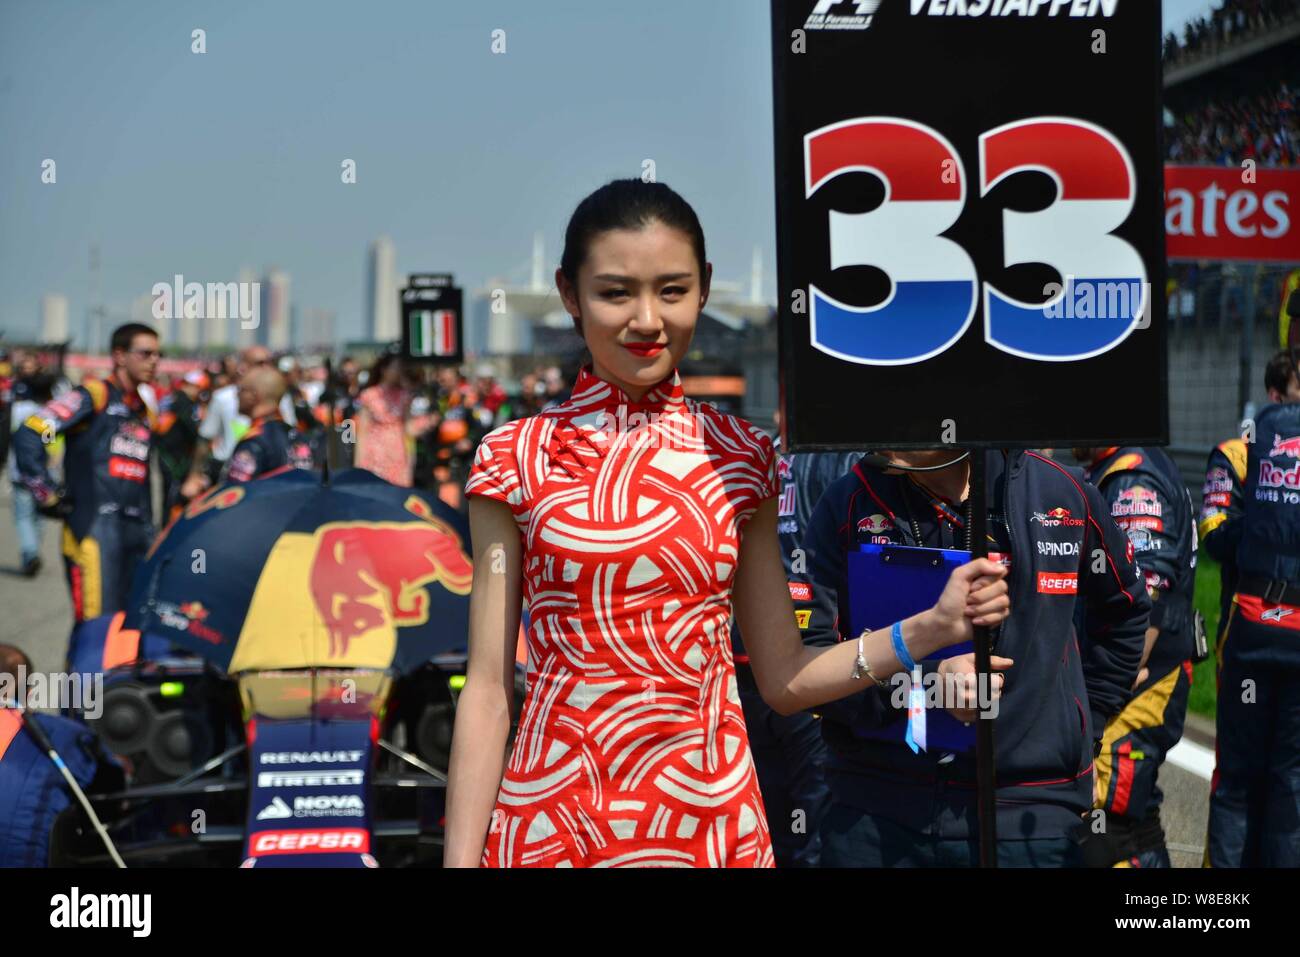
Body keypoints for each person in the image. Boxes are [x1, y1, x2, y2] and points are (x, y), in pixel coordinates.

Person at [442, 179, 1010, 868]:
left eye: (672, 290)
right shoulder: (513, 457)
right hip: (554, 826)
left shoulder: (744, 457)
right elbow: (490, 690)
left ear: (706, 288)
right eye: (616, 292)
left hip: (710, 829)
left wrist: (927, 629)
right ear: (568, 292)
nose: (647, 319)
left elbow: (783, 679)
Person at [796, 446, 1150, 867]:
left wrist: (1082, 726)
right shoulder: (849, 499)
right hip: (875, 804)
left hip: (1030, 808)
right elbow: (809, 663)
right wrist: (924, 688)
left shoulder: (1061, 491)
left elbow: (1125, 610)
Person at [731, 423, 861, 867]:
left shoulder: (749, 451)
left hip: (749, 663)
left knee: (772, 823)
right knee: (812, 827)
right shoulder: (840, 456)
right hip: (809, 667)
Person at [1076, 445, 1198, 868]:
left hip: (1141, 684)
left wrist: (1111, 689)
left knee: (1105, 827)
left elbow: (1146, 595)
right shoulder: (1119, 468)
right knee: (1134, 820)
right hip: (1144, 678)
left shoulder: (1132, 478)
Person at [1206, 350, 1300, 867]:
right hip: (1245, 624)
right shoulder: (1235, 453)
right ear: (1274, 396)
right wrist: (1262, 522)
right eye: (1294, 394)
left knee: (1288, 779)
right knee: (1239, 773)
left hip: (1285, 631)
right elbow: (1213, 535)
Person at [12, 324, 161, 622]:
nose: (154, 361)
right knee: (96, 628)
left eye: (158, 354)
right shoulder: (94, 394)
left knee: (131, 630)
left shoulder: (144, 411)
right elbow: (30, 433)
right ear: (119, 355)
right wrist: (47, 493)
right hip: (93, 531)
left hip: (137, 533)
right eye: (145, 353)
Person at [182, 345, 271, 496]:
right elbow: (205, 439)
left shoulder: (278, 398)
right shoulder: (223, 398)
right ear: (244, 366)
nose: (264, 368)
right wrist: (194, 476)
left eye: (267, 363)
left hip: (264, 476)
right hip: (228, 474)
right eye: (259, 363)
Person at [355, 353, 432, 487]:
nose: (398, 372)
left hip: (397, 452)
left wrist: (427, 422)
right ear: (384, 369)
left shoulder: (405, 396)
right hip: (374, 452)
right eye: (396, 368)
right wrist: (358, 463)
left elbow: (409, 429)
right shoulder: (369, 395)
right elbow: (362, 432)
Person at [8, 372, 54, 575]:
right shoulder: (44, 413)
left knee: (23, 516)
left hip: (18, 470)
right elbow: (51, 443)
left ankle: (30, 552)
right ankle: (33, 548)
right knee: (39, 515)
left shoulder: (14, 411)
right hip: (42, 472)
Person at [156, 369, 208, 522]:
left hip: (166, 454)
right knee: (172, 499)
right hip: (172, 459)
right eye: (198, 388)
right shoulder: (183, 403)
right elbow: (195, 432)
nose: (199, 393)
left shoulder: (173, 398)